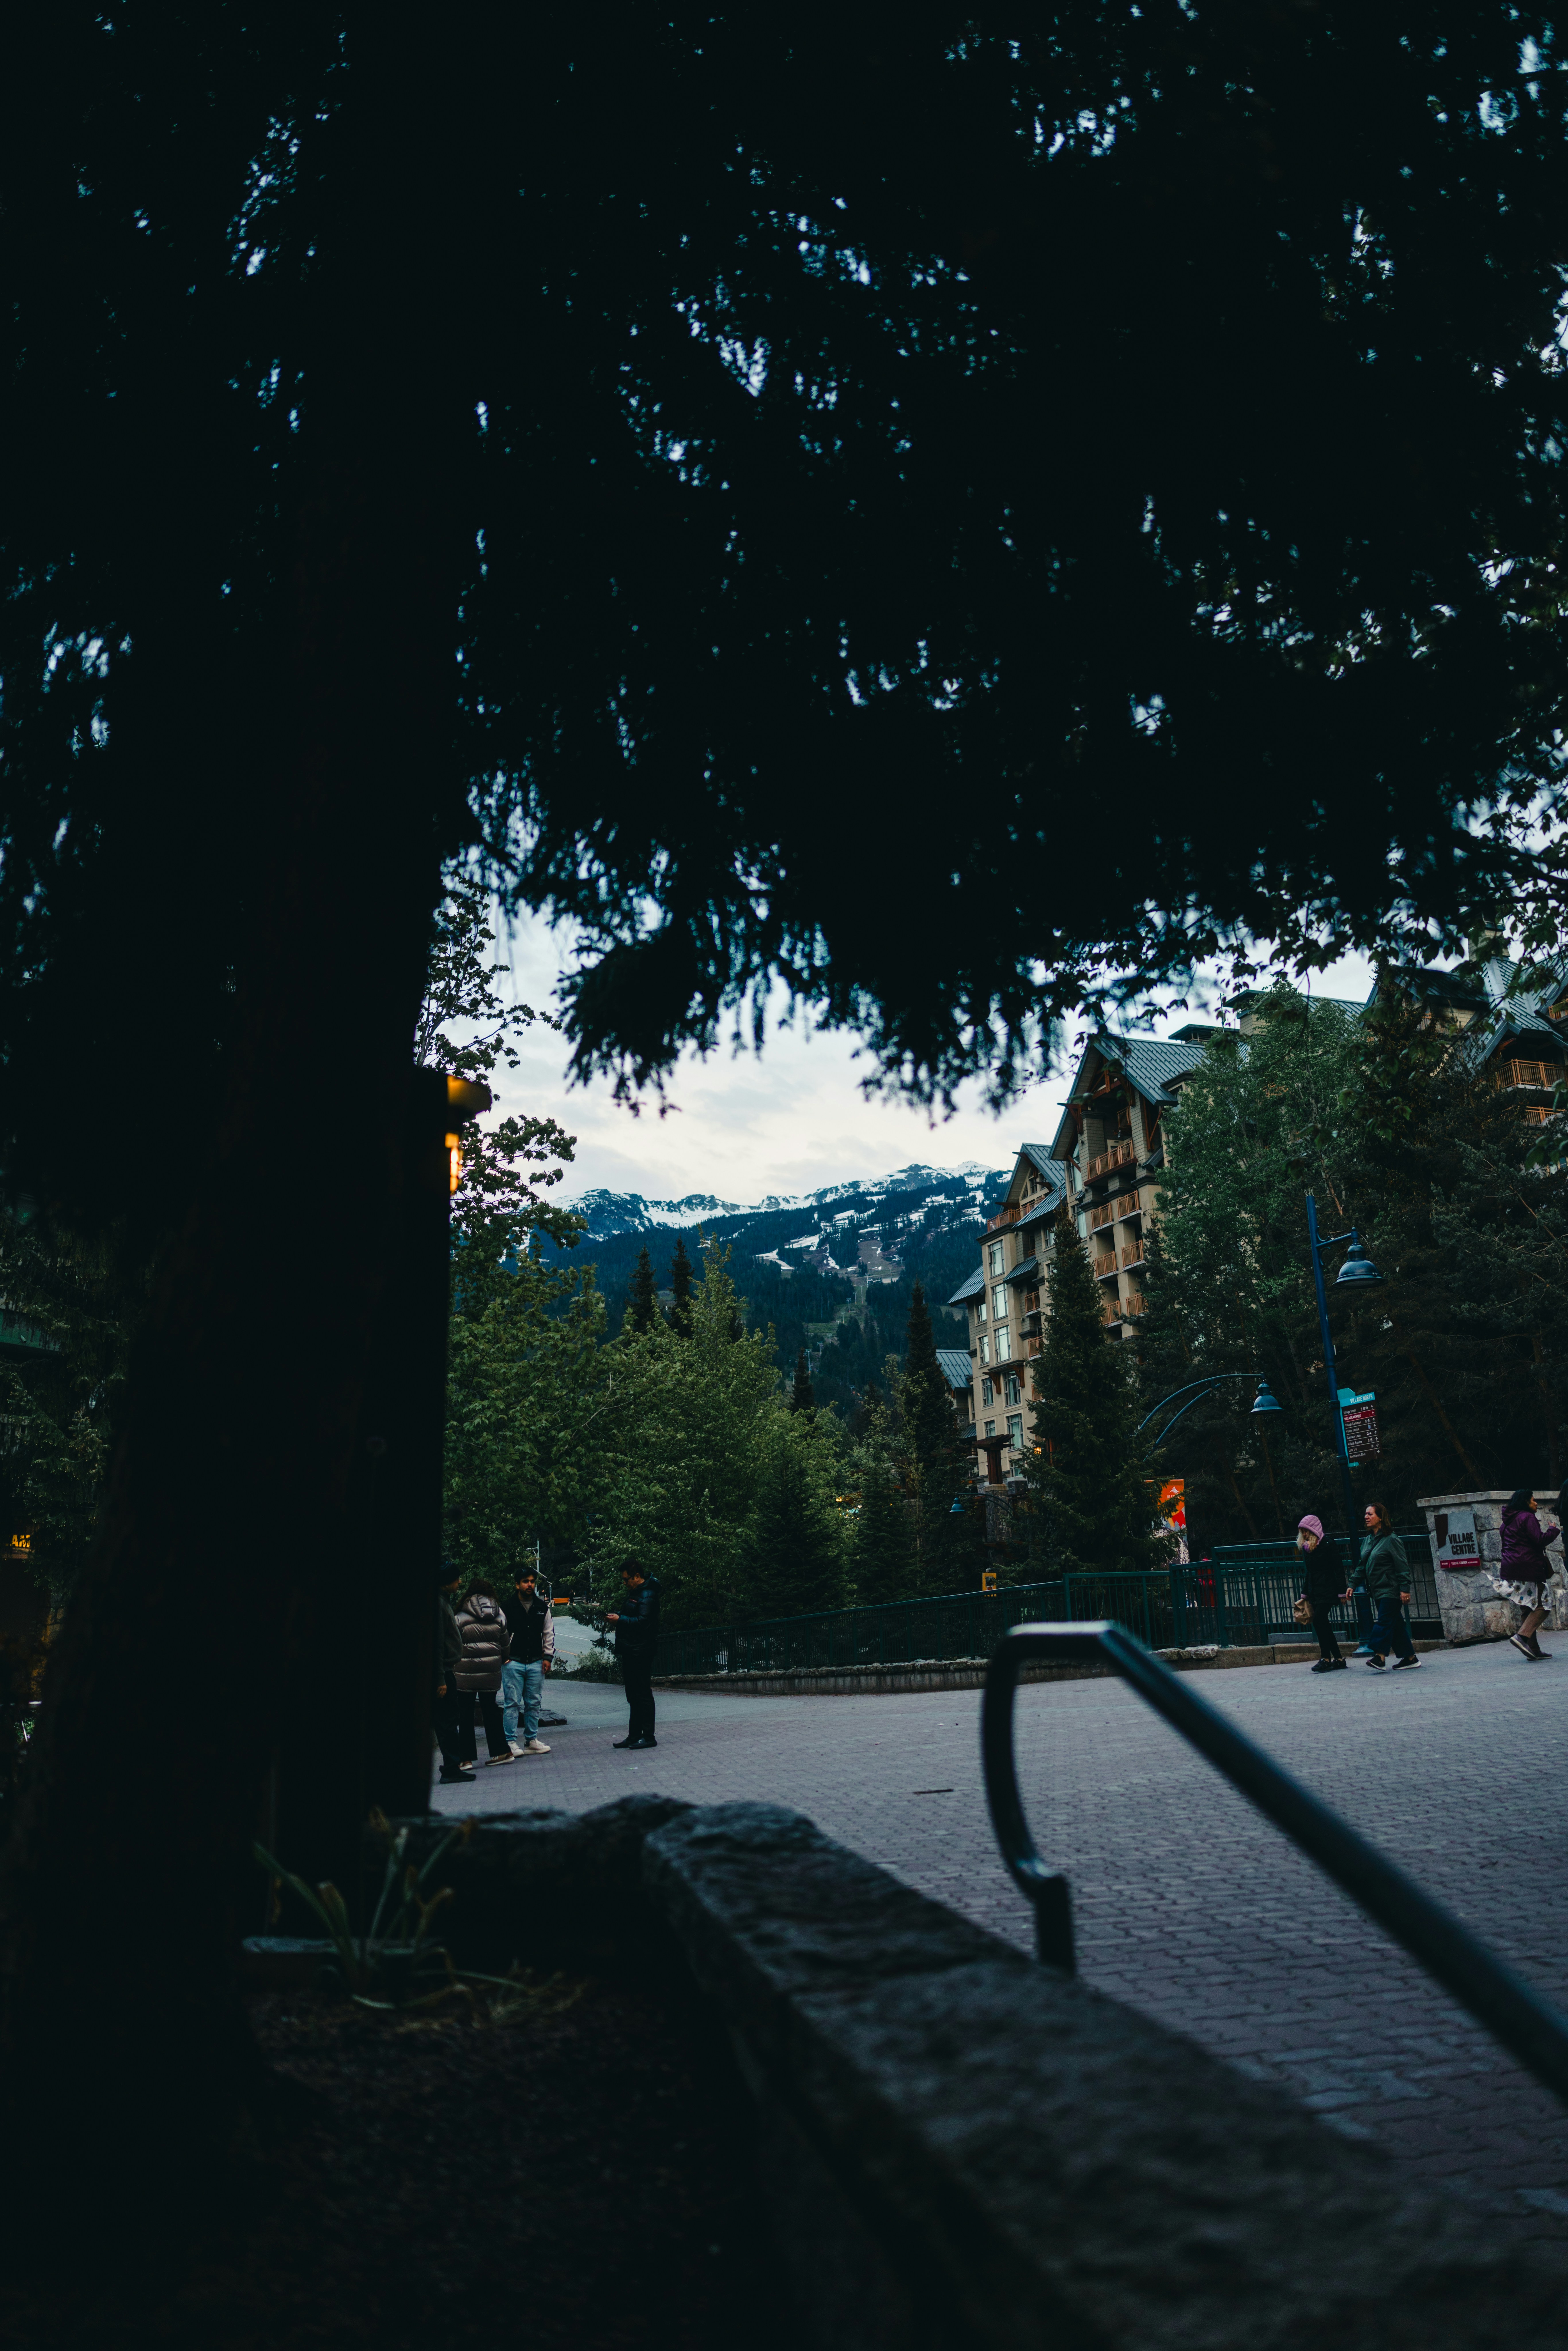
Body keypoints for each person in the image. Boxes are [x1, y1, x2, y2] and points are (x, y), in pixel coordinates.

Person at [1494, 1488, 1564, 1661]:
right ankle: (1522, 1637)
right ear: (1526, 1502)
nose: (1536, 1503)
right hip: (1529, 1568)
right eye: (1533, 1500)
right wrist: (1553, 1530)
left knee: (1527, 1607)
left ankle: (1533, 1650)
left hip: (1511, 1570)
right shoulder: (1527, 1517)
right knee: (1544, 1606)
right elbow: (1539, 1540)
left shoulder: (1507, 1522)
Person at [453, 1578, 517, 1765]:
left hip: (465, 1673)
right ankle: (502, 1752)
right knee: (491, 1711)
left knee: (465, 1714)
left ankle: (465, 1760)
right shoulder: (499, 1615)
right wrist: (502, 1659)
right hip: (491, 1671)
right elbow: (506, 1644)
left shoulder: (460, 1616)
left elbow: (454, 1645)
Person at [606, 1558, 660, 1750]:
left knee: (642, 1694)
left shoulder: (647, 1595)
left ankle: (648, 1736)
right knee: (633, 1695)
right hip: (632, 1650)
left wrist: (620, 1621)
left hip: (641, 1651)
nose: (625, 1582)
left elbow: (643, 1623)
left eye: (627, 1579)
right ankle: (635, 1735)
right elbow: (635, 1618)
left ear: (637, 1577)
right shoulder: (637, 1593)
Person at [502, 1564, 556, 1755]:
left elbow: (549, 1633)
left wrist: (548, 1657)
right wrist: (504, 1657)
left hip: (535, 1662)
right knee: (512, 1703)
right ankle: (510, 1743)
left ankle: (531, 1740)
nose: (530, 1585)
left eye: (532, 1582)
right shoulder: (507, 1607)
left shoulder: (542, 1608)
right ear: (518, 1585)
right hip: (513, 1662)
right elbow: (499, 1633)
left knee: (534, 1703)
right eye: (526, 1582)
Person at [1361, 1503, 1419, 1671]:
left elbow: (1402, 1566)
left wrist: (1405, 1589)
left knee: (1385, 1622)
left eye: (1370, 1514)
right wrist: (1352, 1584)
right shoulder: (1368, 1541)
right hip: (1377, 1590)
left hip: (1391, 1590)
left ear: (1380, 1518)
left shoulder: (1392, 1540)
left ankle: (1380, 1657)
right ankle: (1410, 1658)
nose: (1366, 1517)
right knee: (1396, 1624)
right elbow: (1361, 1566)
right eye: (1366, 1514)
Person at [434, 1563, 476, 1785]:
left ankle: (452, 1766)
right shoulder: (439, 1605)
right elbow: (438, 1644)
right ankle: (451, 1767)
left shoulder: (444, 1602)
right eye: (457, 1579)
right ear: (447, 1581)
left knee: (449, 1720)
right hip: (443, 1674)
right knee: (448, 1721)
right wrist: (440, 1678)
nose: (460, 1582)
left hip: (446, 1671)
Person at [1295, 1514, 1349, 1673]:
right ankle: (1339, 1659)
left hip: (1329, 1589)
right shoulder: (1307, 1548)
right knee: (1322, 1624)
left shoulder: (1328, 1544)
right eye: (1302, 1532)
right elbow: (1310, 1573)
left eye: (1306, 1531)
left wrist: (1342, 1593)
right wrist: (1305, 1594)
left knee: (1319, 1621)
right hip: (1315, 1591)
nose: (1304, 1535)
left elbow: (1338, 1569)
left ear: (1314, 1530)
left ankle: (1326, 1658)